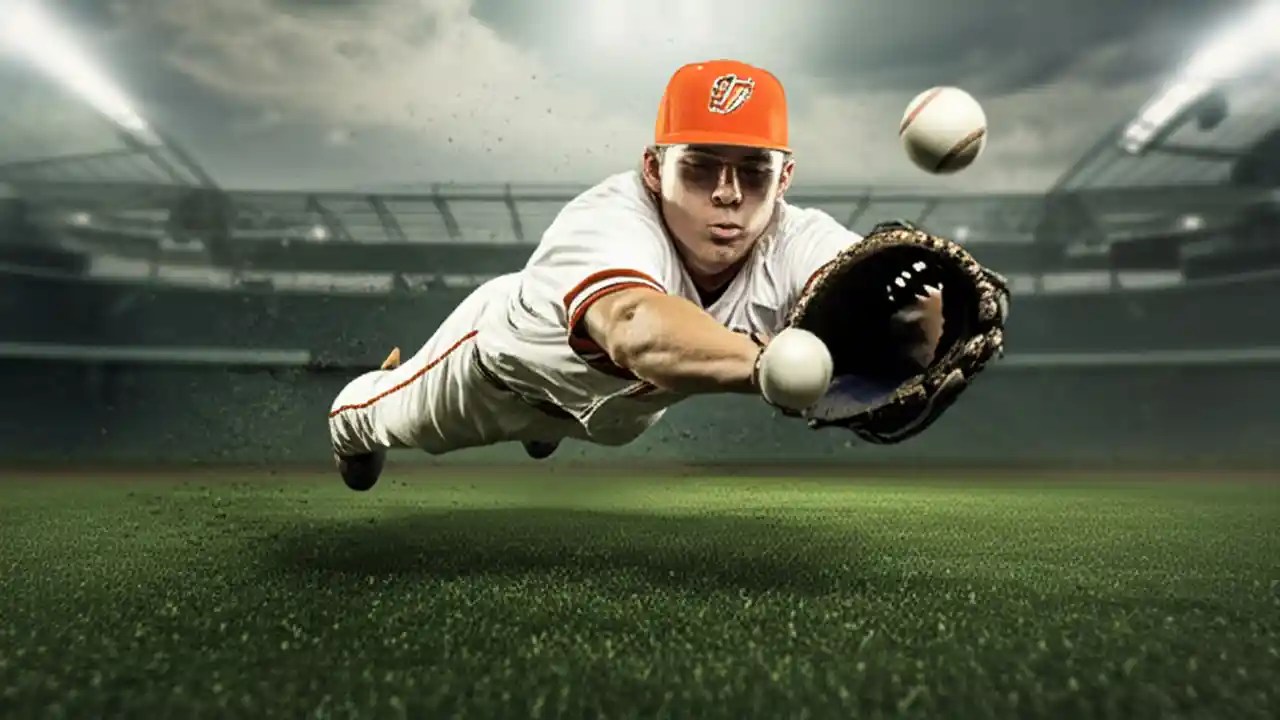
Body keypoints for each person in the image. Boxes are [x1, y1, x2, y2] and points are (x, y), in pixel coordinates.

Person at [327, 59, 946, 490]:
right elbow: (634, 326)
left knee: (588, 422)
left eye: (753, 170)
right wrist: (764, 364)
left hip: (618, 418)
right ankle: (363, 417)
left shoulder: (795, 237)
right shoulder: (609, 218)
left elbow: (868, 288)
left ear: (784, 178)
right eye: (701, 166)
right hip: (491, 380)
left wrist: (922, 325)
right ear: (654, 168)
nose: (728, 194)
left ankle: (550, 435)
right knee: (367, 419)